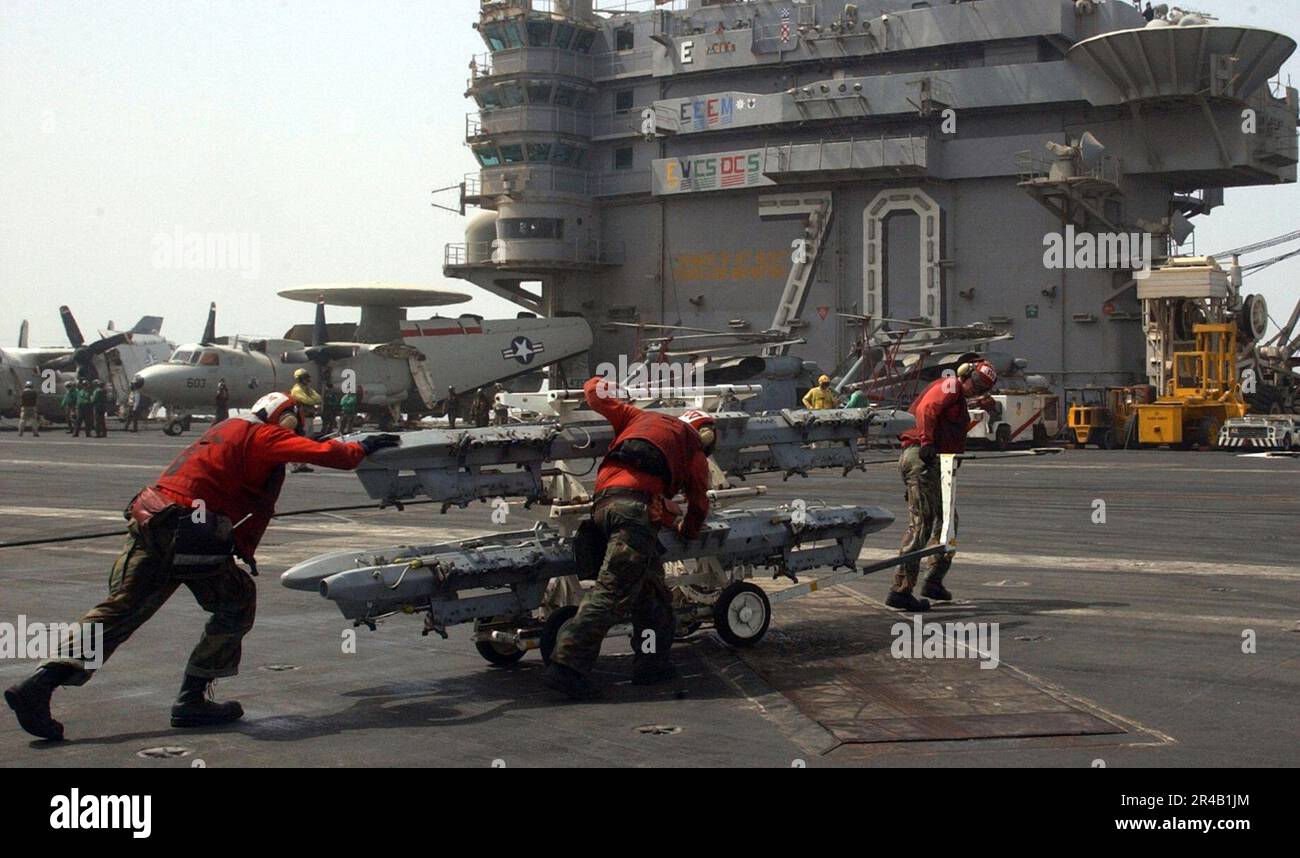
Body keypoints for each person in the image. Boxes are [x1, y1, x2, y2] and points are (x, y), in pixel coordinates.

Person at [3, 391, 401, 741]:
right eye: (297, 421)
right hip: (189, 532)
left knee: (120, 611)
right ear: (286, 417)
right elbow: (329, 456)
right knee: (236, 602)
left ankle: (40, 684)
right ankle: (191, 700)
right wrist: (360, 448)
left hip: (152, 519)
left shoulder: (230, 427)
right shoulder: (264, 435)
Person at [544, 377, 714, 700]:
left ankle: (652, 662)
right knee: (611, 593)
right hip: (634, 516)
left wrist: (606, 383)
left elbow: (593, 393)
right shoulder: (694, 449)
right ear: (704, 433)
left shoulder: (638, 417)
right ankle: (566, 667)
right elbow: (699, 505)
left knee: (653, 599)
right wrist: (686, 532)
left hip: (604, 509)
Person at [888, 360, 998, 612]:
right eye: (976, 383)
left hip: (936, 464)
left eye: (982, 388)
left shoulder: (959, 398)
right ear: (965, 374)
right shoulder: (950, 385)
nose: (977, 389)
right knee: (922, 525)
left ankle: (933, 581)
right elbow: (927, 409)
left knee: (948, 522)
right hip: (922, 459)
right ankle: (900, 590)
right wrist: (926, 442)